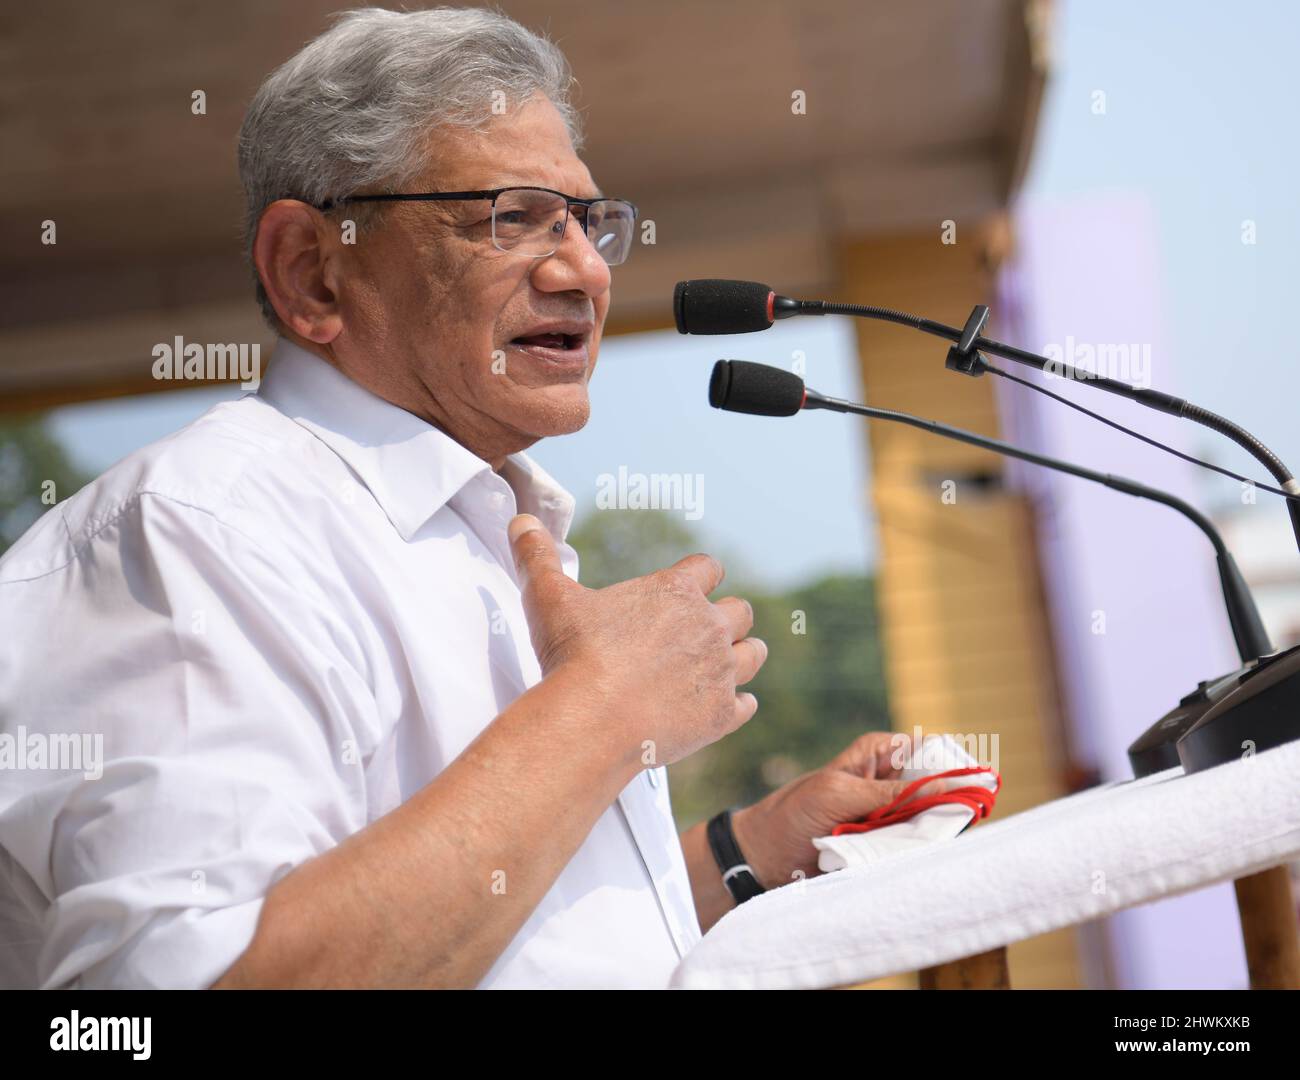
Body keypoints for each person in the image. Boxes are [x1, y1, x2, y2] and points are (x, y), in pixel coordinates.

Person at [0, 6, 914, 990]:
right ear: (313, 271)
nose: (585, 271)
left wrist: (753, 844)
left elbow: (514, 941)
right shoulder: (194, 538)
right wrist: (601, 714)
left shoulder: (488, 520)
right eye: (511, 216)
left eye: (589, 221)